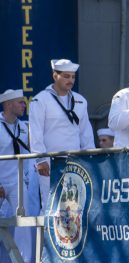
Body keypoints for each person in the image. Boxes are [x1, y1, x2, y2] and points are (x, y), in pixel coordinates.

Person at [29, 59, 95, 210]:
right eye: (66, 76)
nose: (70, 80)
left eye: (73, 77)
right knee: (51, 204)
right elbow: (35, 131)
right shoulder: (40, 100)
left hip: (75, 161)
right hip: (50, 162)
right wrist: (40, 159)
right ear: (55, 76)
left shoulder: (80, 100)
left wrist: (90, 156)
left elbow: (86, 133)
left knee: (75, 205)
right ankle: (48, 234)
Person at [0, 89, 37, 263]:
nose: (24, 105)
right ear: (8, 104)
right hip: (0, 178)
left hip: (17, 179)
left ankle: (24, 261)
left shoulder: (24, 127)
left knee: (24, 219)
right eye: (20, 102)